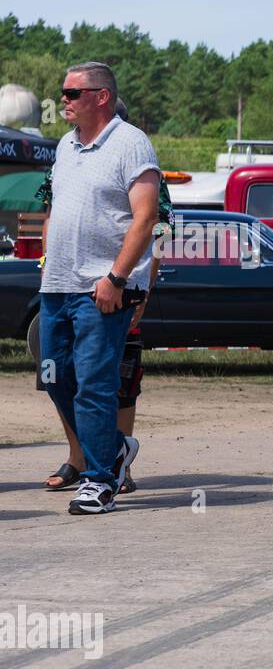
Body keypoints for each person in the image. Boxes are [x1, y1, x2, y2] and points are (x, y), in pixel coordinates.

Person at [39, 61, 160, 514]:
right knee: (55, 377)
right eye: (63, 92)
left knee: (94, 383)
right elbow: (58, 210)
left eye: (71, 93)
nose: (63, 100)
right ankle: (112, 447)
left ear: (101, 96)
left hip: (102, 288)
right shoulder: (65, 146)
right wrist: (47, 262)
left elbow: (146, 218)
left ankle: (99, 481)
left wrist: (117, 279)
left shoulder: (130, 143)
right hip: (57, 286)